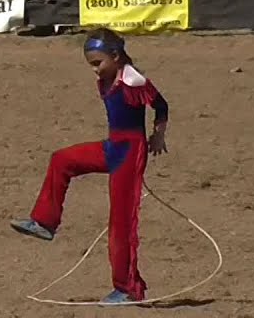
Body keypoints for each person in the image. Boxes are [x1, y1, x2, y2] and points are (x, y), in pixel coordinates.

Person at [9, 27, 170, 305]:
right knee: (62, 159)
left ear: (116, 57)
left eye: (98, 63)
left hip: (130, 152)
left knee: (121, 223)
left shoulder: (132, 79)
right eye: (91, 65)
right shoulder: (111, 76)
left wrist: (158, 134)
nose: (95, 70)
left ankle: (128, 288)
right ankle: (45, 222)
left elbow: (161, 104)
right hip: (114, 146)